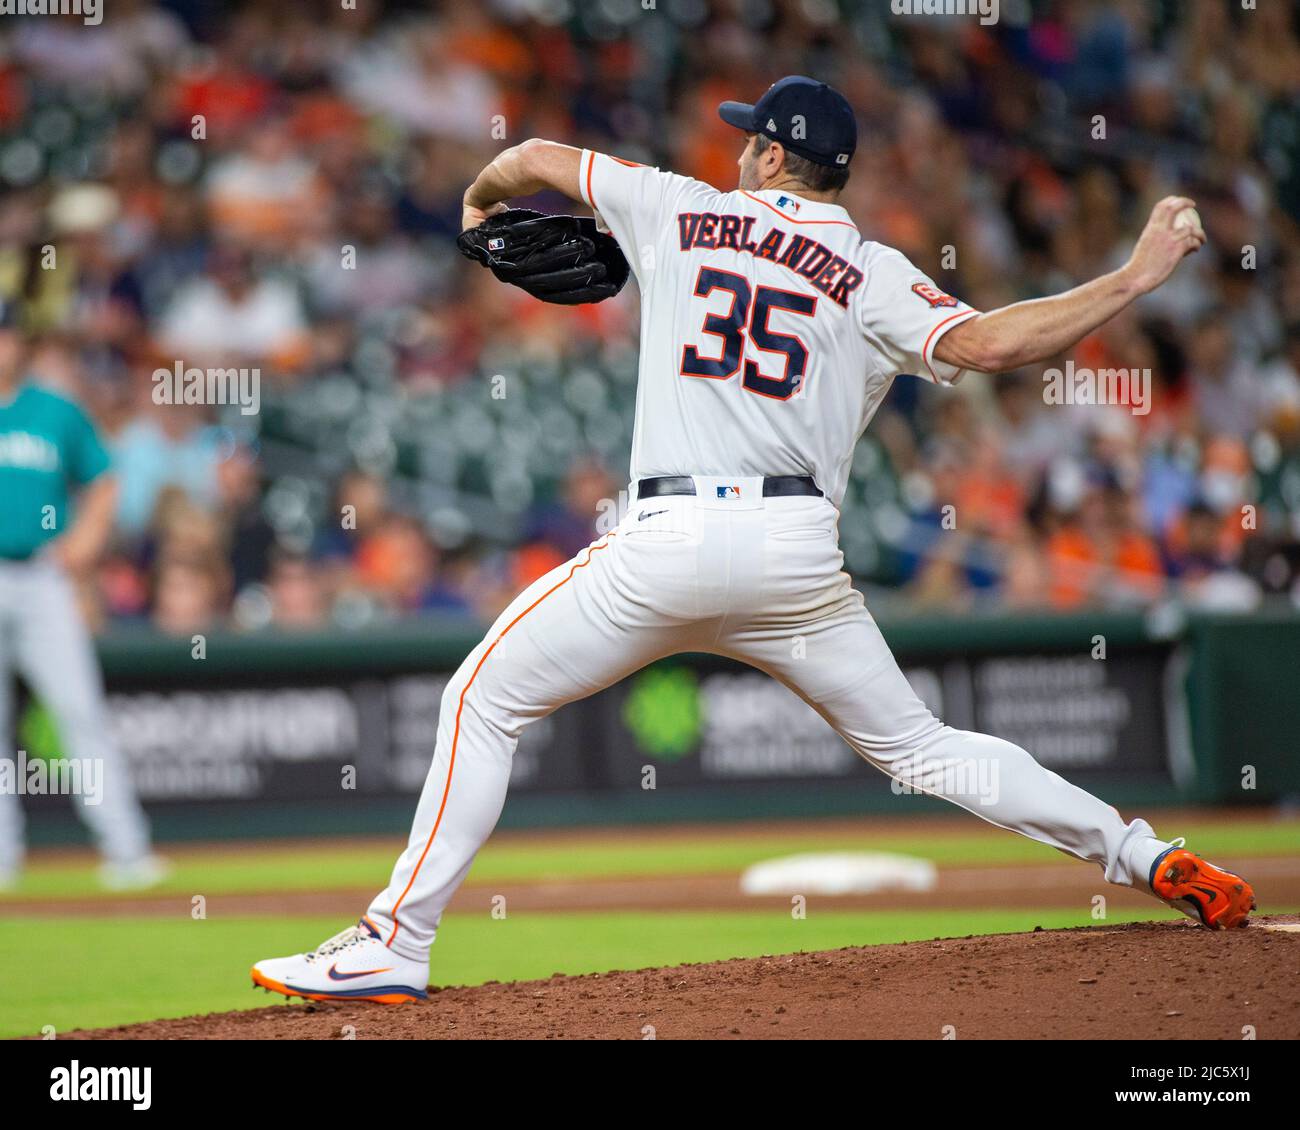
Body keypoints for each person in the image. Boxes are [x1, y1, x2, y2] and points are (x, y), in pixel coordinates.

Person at [253, 77, 1254, 1004]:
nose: (737, 152)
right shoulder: (872, 270)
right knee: (925, 749)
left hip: (669, 540)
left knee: (482, 698)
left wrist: (477, 210)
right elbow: (996, 343)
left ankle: (396, 939)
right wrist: (1132, 277)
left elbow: (532, 158)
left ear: (773, 156)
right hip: (795, 558)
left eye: (749, 141)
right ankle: (1140, 852)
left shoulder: (676, 205)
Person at [0, 306, 165, 891]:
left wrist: (87, 538)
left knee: (79, 710)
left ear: (20, 341)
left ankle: (126, 849)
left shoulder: (54, 409)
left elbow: (103, 475)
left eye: (6, 334)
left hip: (42, 576)